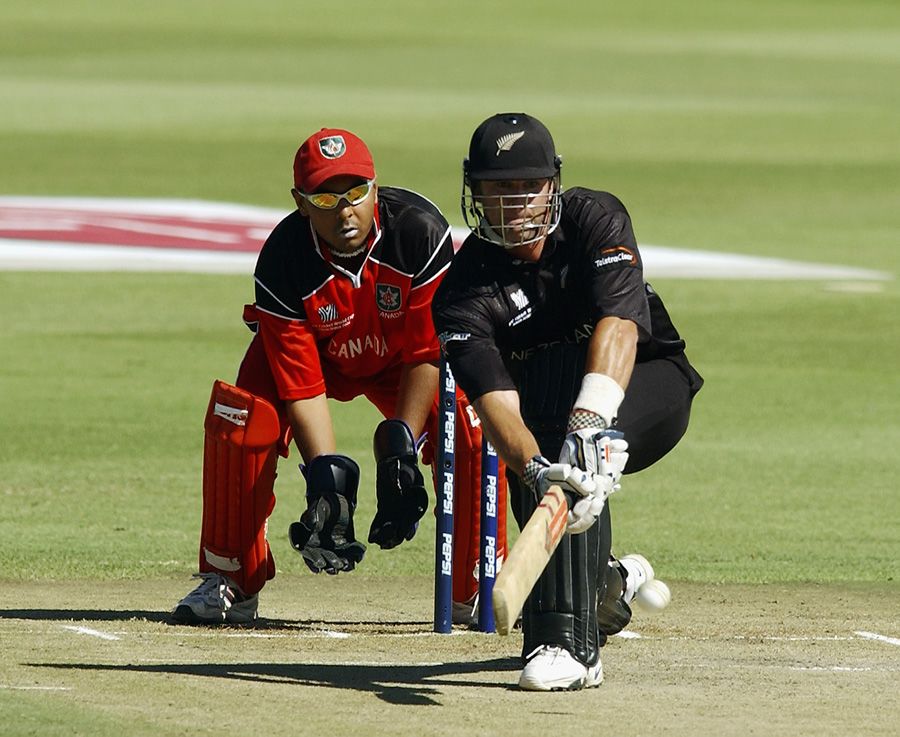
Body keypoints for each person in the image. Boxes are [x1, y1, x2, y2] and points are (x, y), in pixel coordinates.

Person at [171, 127, 507, 625]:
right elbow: (301, 385)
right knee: (239, 416)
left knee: (471, 419)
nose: (344, 209)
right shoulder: (283, 260)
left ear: (375, 188)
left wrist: (401, 448)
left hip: (403, 361)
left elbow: (426, 352)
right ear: (301, 203)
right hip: (321, 356)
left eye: (355, 192)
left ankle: (475, 586)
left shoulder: (418, 232)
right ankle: (231, 579)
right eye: (325, 197)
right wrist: (326, 480)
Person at [432, 113, 703, 691]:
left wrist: (589, 426)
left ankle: (569, 648)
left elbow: (621, 328)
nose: (513, 205)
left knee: (578, 448)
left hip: (647, 383)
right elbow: (497, 406)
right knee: (554, 463)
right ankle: (602, 588)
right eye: (496, 189)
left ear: (553, 184)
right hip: (539, 423)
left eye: (526, 188)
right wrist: (537, 471)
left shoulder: (594, 218)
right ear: (473, 191)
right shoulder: (461, 292)